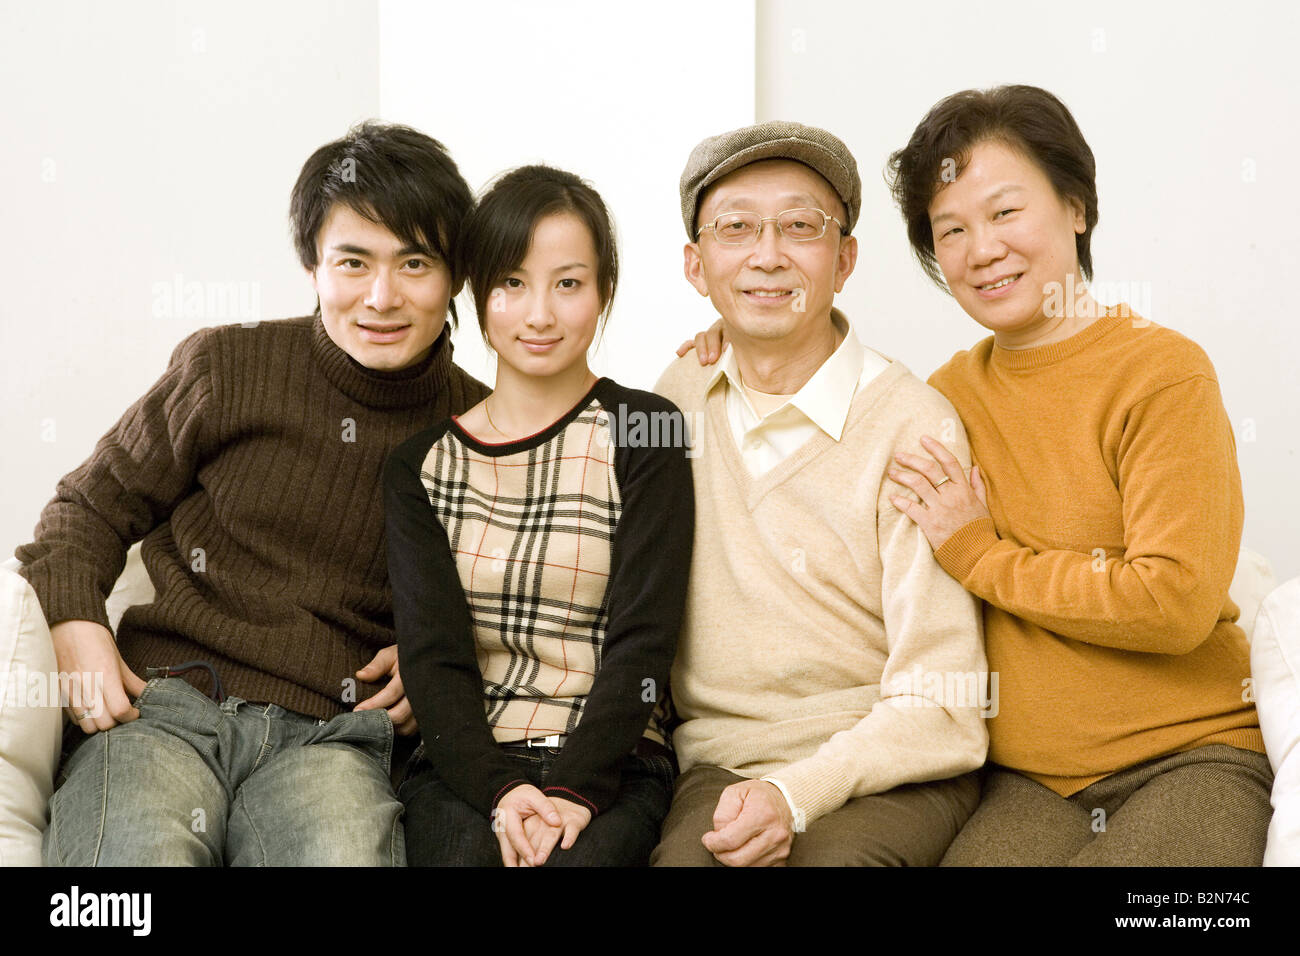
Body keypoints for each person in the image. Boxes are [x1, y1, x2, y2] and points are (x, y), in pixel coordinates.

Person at [17, 121, 490, 866]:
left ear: (455, 276)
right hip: (165, 707)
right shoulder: (227, 366)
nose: (381, 296)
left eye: (415, 263)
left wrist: (439, 650)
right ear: (313, 266)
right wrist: (77, 622)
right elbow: (86, 510)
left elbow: (528, 594)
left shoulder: (483, 428)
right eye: (353, 262)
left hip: (334, 737)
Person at [882, 84, 1271, 865]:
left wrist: (981, 554)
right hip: (1026, 782)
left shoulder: (1161, 374)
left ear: (1077, 208)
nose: (979, 249)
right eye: (949, 229)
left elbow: (1173, 602)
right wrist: (735, 348)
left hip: (1192, 755)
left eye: (1003, 212)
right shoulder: (943, 397)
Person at [651, 122, 989, 867]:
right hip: (723, 762)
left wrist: (797, 792)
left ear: (844, 261)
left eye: (800, 227)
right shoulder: (675, 400)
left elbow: (945, 701)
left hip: (889, 765)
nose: (767, 254)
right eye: (735, 228)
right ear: (696, 266)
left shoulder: (912, 425)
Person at [385, 165, 694, 867]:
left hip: (616, 765)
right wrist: (501, 792)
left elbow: (643, 639)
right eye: (512, 283)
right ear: (476, 292)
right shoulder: (420, 466)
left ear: (604, 292)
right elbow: (434, 661)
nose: (539, 314)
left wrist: (577, 790)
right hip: (468, 771)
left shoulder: (646, 429)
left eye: (569, 283)